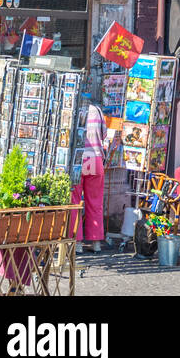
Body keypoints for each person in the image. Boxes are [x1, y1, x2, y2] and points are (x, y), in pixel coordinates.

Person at [78, 93, 120, 253]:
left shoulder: (76, 109)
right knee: (95, 203)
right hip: (95, 158)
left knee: (74, 203)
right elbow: (104, 136)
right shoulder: (97, 110)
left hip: (79, 159)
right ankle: (95, 242)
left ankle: (77, 243)